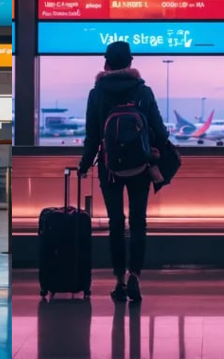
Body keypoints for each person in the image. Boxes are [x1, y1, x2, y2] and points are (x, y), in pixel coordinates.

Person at [77, 41, 169, 303]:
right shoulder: (143, 92)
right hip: (140, 167)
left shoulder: (97, 94)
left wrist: (85, 165)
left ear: (106, 64)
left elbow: (92, 136)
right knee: (138, 222)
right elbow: (160, 132)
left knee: (116, 224)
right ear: (130, 63)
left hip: (110, 170)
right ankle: (135, 277)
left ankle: (118, 282)